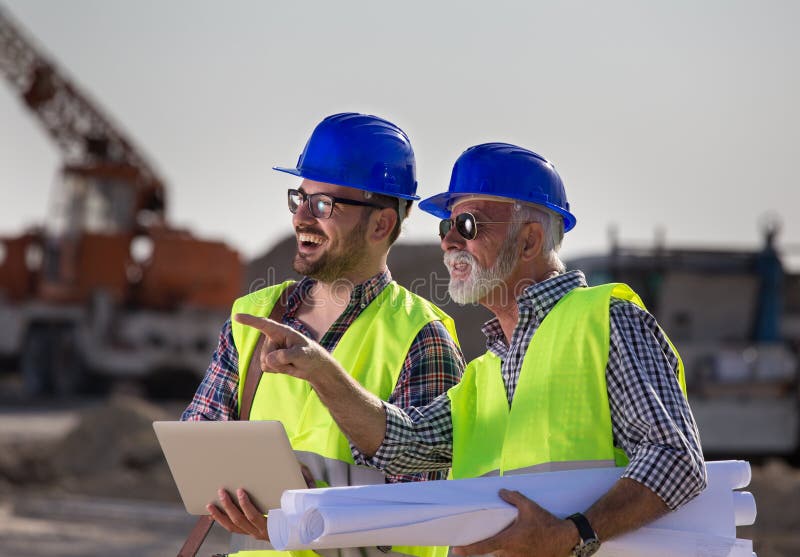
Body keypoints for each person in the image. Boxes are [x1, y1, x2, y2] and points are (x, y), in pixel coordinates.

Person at [238, 142, 707, 557]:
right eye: (446, 225)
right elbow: (403, 443)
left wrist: (571, 535)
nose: (448, 240)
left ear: (529, 239)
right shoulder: (486, 372)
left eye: (467, 224)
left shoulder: (606, 321)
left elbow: (677, 457)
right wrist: (322, 371)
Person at [181, 112, 464, 557]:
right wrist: (240, 500)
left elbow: (416, 513)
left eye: (323, 205)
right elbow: (198, 450)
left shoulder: (421, 337)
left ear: (381, 225)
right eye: (299, 198)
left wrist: (308, 515)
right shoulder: (253, 316)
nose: (301, 218)